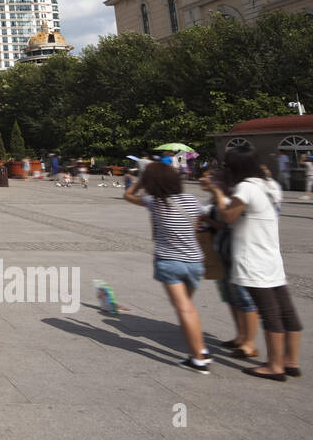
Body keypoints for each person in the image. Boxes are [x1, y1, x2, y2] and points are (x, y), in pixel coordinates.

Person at [207, 149, 303, 381]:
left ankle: (274, 366)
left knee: (269, 312)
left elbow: (228, 216)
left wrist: (219, 193)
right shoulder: (269, 186)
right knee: (286, 310)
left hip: (254, 259)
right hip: (271, 256)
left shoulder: (246, 188)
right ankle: (291, 361)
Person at [124, 161, 211, 373]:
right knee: (188, 307)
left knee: (184, 308)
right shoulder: (191, 200)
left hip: (170, 262)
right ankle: (200, 348)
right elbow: (201, 221)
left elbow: (128, 195)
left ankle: (198, 357)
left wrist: (140, 181)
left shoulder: (155, 202)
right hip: (195, 262)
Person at [197, 168, 259, 360]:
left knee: (243, 296)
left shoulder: (231, 199)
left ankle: (250, 343)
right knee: (229, 296)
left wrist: (206, 218)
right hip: (220, 253)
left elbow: (227, 223)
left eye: (210, 177)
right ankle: (240, 335)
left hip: (235, 254)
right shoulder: (212, 200)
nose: (203, 179)